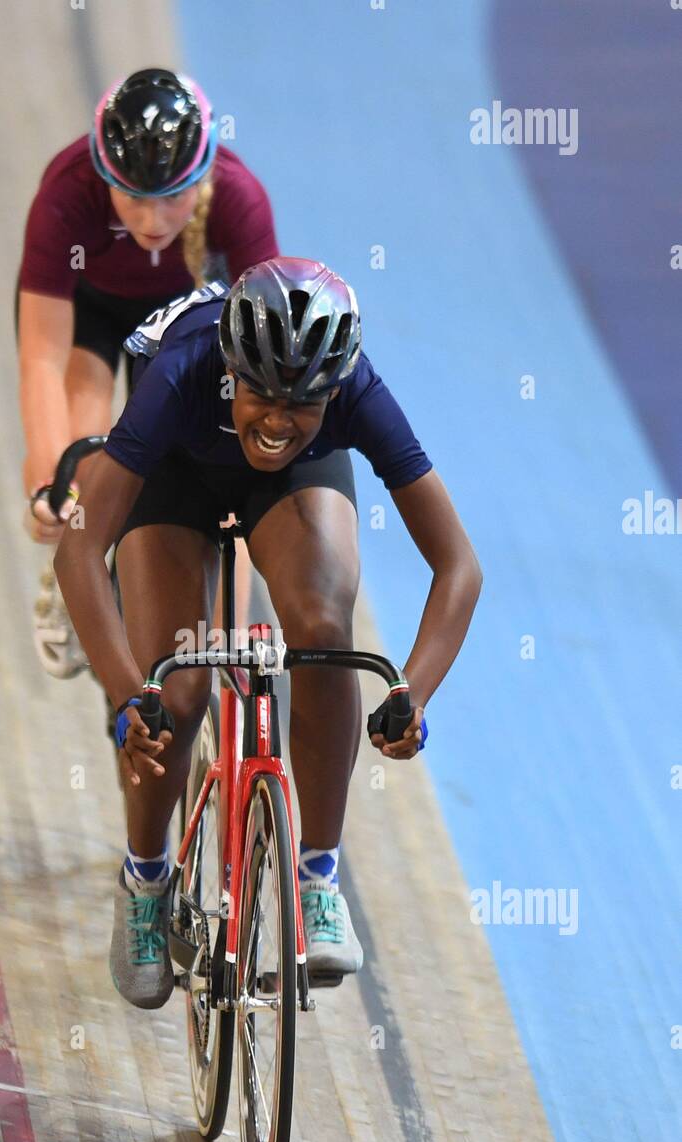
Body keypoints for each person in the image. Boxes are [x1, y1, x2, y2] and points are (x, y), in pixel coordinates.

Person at [54, 257, 482, 1009]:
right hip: (174, 477)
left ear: (334, 390)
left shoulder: (354, 388)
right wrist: (128, 694)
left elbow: (457, 566)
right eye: (262, 395)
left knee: (320, 629)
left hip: (293, 484)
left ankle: (317, 876)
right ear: (230, 369)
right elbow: (79, 550)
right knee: (175, 691)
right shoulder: (181, 371)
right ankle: (145, 880)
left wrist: (412, 691)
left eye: (303, 403)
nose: (277, 419)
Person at [17, 68, 276, 674]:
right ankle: (76, 557)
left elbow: (263, 356)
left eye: (173, 199)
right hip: (94, 311)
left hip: (189, 313)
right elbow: (41, 360)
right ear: (104, 178)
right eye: (133, 197)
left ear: (204, 177)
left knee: (216, 446)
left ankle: (220, 647)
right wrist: (49, 487)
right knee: (86, 420)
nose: (154, 219)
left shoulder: (240, 198)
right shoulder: (66, 192)